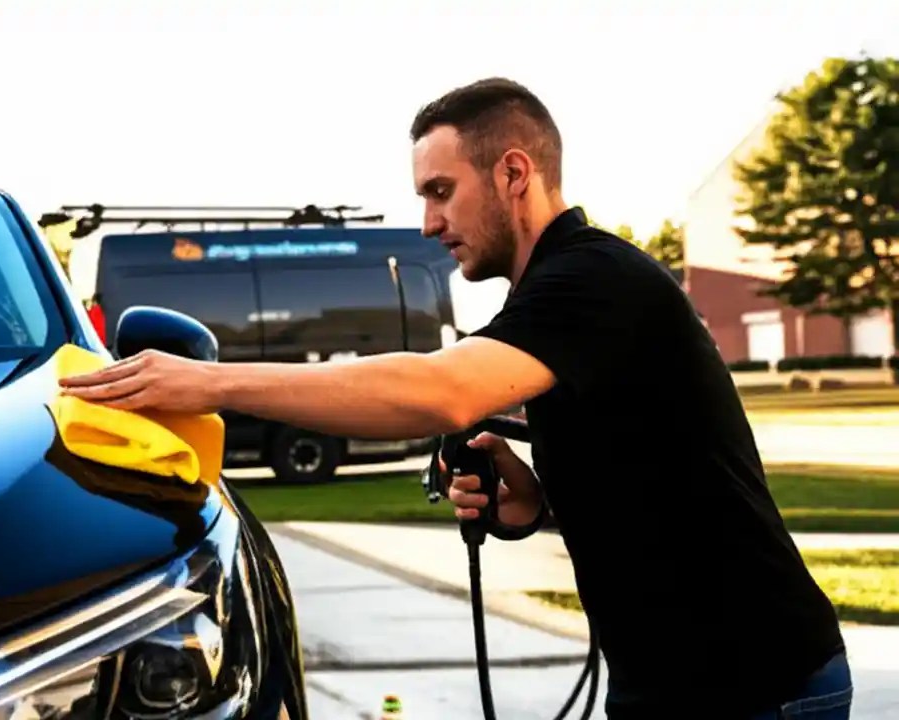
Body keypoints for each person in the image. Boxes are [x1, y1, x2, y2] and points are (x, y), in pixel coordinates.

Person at [59, 77, 852, 719]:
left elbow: (439, 390)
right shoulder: (551, 302)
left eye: (441, 191)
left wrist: (211, 381)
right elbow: (652, 482)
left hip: (755, 683)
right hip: (676, 684)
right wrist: (531, 502)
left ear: (514, 173)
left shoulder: (596, 279)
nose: (429, 222)